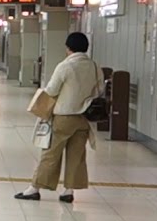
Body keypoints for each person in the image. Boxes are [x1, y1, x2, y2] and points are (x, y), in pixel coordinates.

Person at [16, 32, 104, 203]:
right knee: (76, 155)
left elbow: (52, 90)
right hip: (84, 119)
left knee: (50, 153)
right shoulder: (94, 67)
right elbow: (99, 90)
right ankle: (68, 191)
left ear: (68, 48)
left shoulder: (65, 66)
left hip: (64, 117)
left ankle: (34, 188)